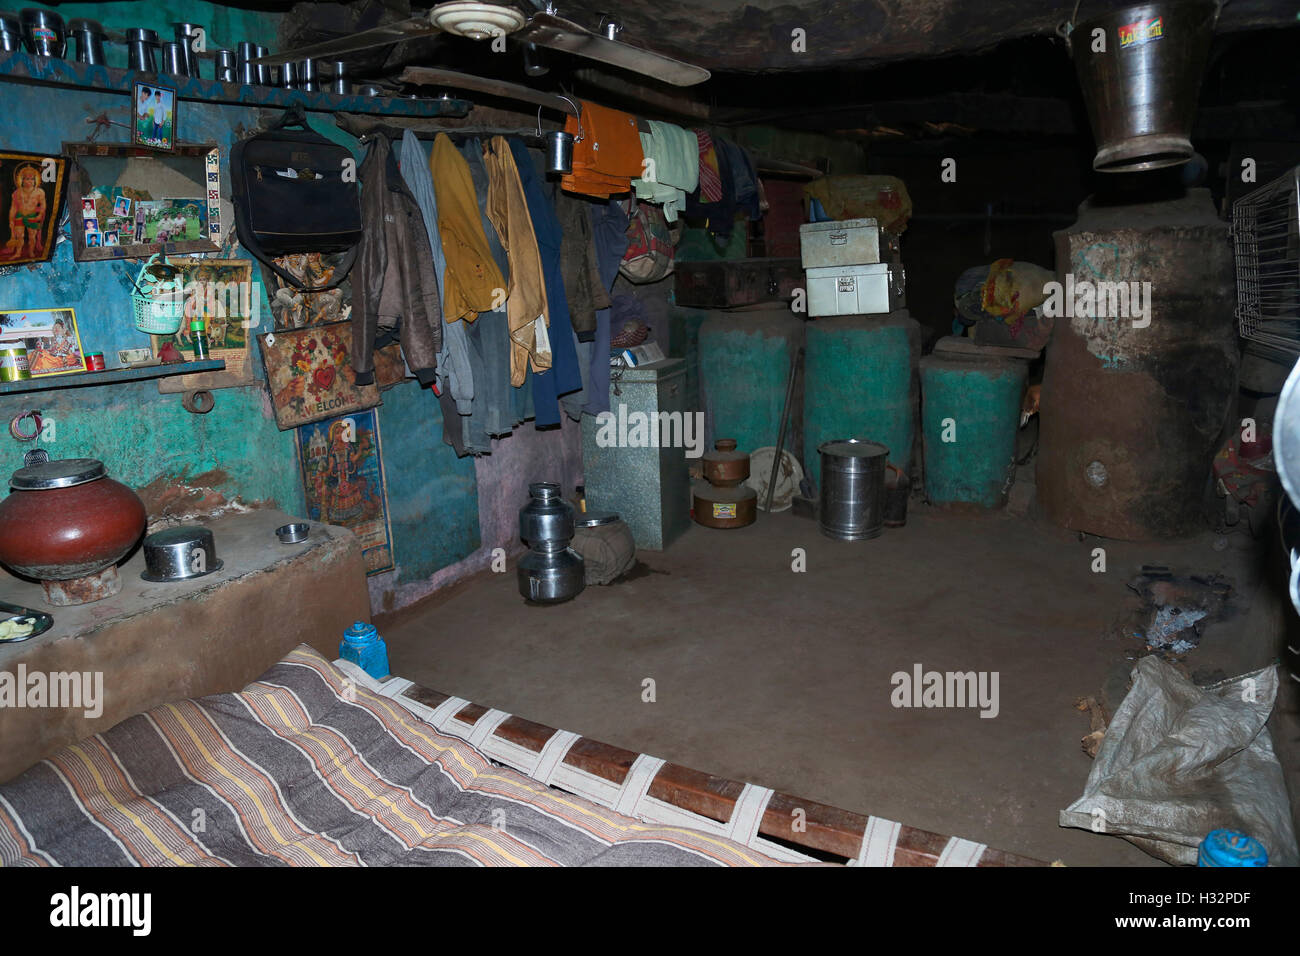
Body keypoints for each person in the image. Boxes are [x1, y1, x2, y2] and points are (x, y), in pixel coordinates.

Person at [4, 164, 46, 260]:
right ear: (22, 180)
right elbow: (13, 208)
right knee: (19, 237)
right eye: (27, 179)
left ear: (35, 180)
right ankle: (18, 253)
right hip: (19, 217)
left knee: (32, 237)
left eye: (31, 179)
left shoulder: (39, 192)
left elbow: (43, 205)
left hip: (32, 217)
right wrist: (11, 219)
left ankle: (31, 251)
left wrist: (40, 214)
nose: (29, 181)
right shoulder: (16, 193)